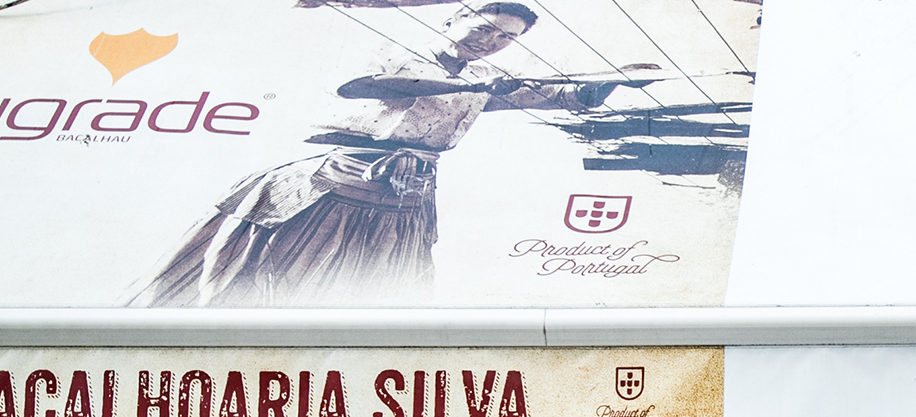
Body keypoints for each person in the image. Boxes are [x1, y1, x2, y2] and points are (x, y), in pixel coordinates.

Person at [131, 3, 618, 306]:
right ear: (456, 16)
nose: (489, 42)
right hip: (332, 183)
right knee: (264, 280)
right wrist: (470, 83)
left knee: (380, 293)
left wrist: (606, 83)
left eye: (504, 39)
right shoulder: (395, 49)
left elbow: (543, 97)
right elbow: (359, 85)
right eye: (484, 27)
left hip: (406, 200)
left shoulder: (478, 83)